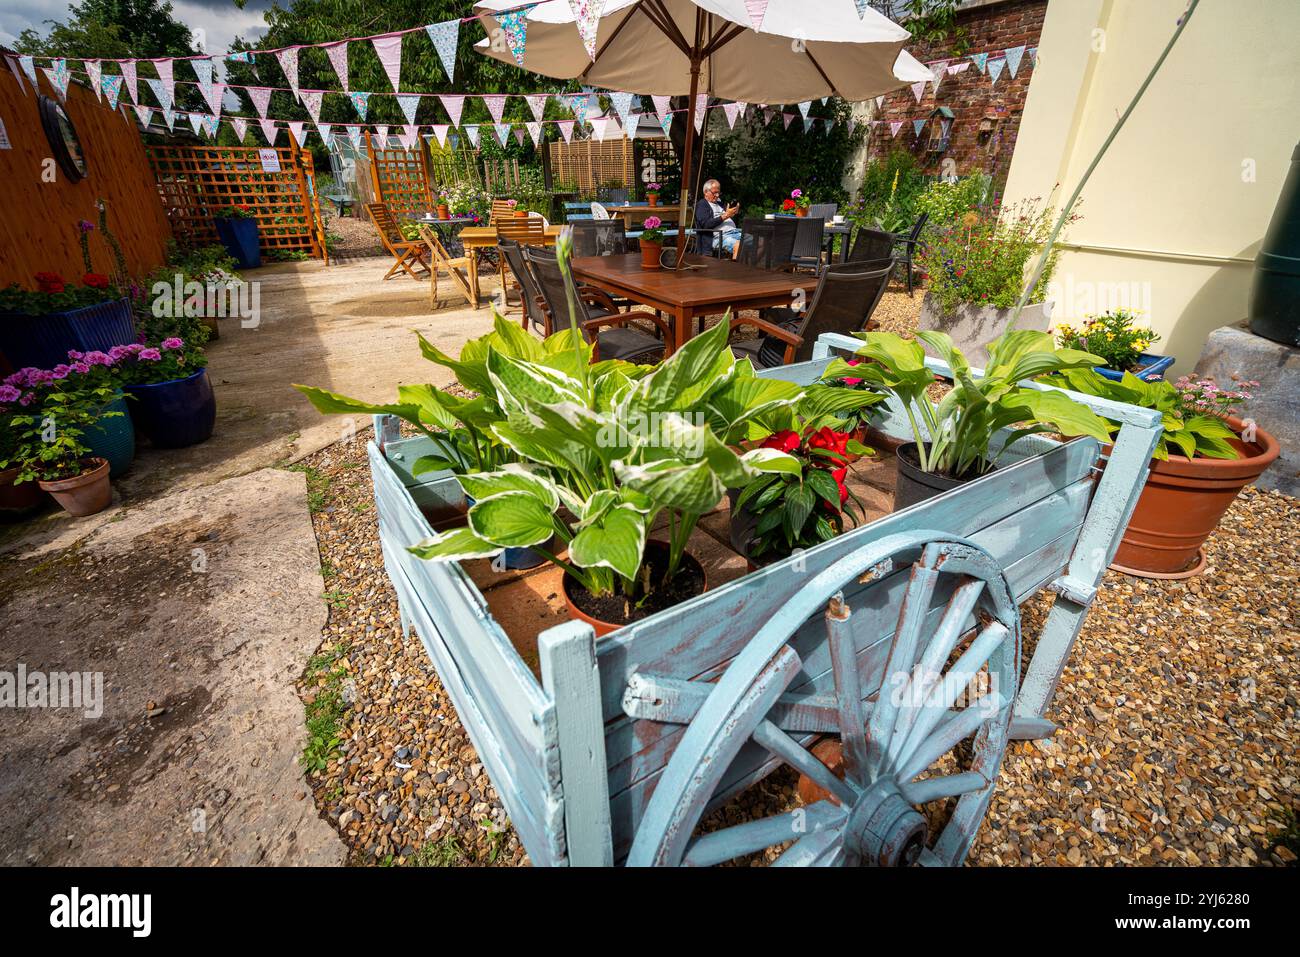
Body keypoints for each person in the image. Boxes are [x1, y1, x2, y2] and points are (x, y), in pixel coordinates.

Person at [694, 179, 742, 257]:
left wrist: (733, 213)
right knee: (739, 246)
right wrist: (725, 216)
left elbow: (729, 221)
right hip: (720, 237)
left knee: (760, 242)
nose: (717, 195)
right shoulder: (702, 205)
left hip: (735, 232)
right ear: (706, 192)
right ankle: (736, 265)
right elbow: (705, 224)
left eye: (718, 192)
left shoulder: (720, 204)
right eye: (714, 193)